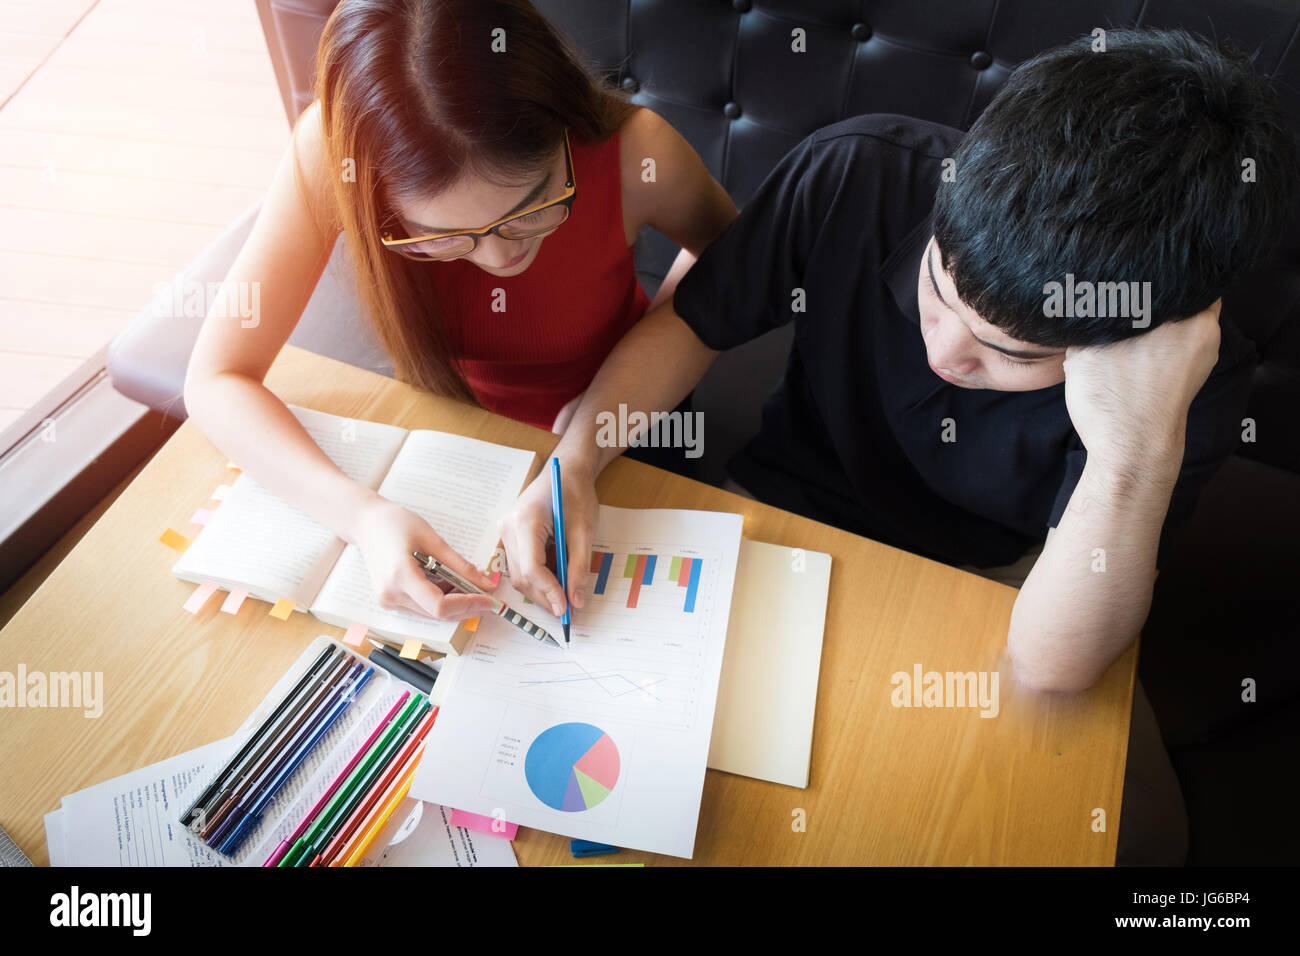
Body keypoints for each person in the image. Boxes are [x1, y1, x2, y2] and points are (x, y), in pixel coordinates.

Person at [496, 29, 1299, 864]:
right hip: (789, 505)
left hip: (1000, 582)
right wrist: (576, 461)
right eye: (938, 289)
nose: (946, 353)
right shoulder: (860, 168)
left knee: (1136, 846)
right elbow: (695, 320)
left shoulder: (1181, 377)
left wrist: (1135, 453)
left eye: (1013, 354)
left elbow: (1049, 666)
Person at [182, 0, 735, 624]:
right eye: (443, 236)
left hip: (628, 421)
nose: (500, 258)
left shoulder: (635, 150)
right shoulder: (332, 154)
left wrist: (585, 443)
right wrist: (363, 516)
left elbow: (733, 268)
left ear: (562, 128)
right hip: (455, 437)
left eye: (531, 208)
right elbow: (216, 379)